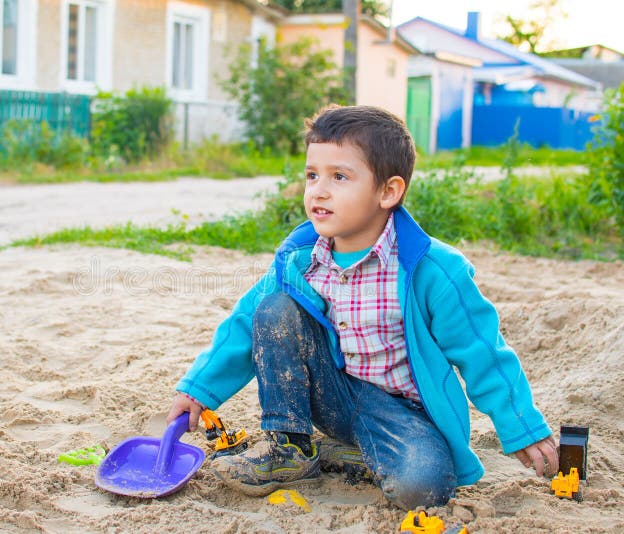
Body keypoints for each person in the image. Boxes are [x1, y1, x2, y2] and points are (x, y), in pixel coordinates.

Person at [166, 104, 557, 509]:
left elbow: (483, 353)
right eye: (312, 175)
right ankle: (291, 448)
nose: (318, 190)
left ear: (388, 191)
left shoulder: (431, 270)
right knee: (275, 308)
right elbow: (246, 324)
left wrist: (520, 427)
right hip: (331, 394)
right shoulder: (300, 260)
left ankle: (357, 453)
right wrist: (199, 389)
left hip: (402, 413)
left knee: (422, 489)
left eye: (340, 177)